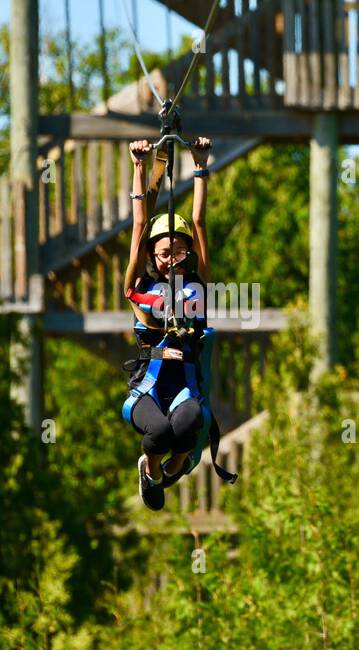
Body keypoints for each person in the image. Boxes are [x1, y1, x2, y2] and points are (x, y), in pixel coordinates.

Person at [121, 136, 212, 511]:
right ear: (152, 256)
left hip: (184, 389)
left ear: (188, 253)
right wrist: (141, 168)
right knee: (159, 430)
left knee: (190, 420)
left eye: (178, 251)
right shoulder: (139, 289)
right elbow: (141, 222)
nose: (171, 258)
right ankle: (153, 469)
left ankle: (177, 464)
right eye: (163, 252)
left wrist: (200, 165)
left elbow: (199, 221)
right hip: (149, 390)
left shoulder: (198, 288)